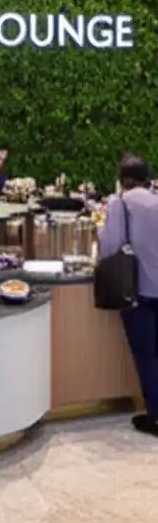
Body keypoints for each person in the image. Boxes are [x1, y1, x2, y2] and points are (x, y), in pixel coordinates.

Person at [98, 156, 158, 437]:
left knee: (148, 356)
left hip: (141, 290)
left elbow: (110, 246)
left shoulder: (120, 203)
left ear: (122, 179)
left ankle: (156, 417)